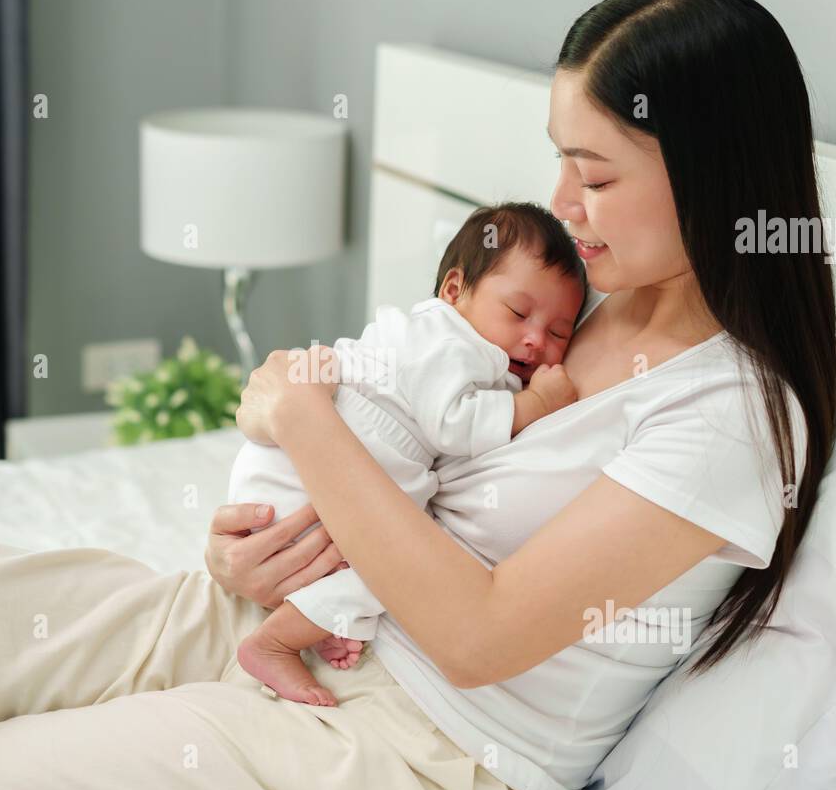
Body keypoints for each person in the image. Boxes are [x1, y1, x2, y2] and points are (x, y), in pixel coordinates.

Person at [0, 0, 836, 790]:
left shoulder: (733, 416)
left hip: (419, 745)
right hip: (308, 620)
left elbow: (483, 632)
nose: (561, 200)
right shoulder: (583, 301)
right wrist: (255, 522)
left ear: (714, 175)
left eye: (593, 174)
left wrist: (295, 415)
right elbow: (392, 413)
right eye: (557, 160)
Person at [231, 202, 587, 706]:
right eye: (518, 313)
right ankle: (275, 644)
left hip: (302, 462)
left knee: (371, 569)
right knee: (388, 575)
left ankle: (317, 621)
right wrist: (535, 403)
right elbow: (452, 423)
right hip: (319, 454)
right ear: (453, 291)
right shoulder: (448, 339)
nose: (535, 339)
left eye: (559, 333)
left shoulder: (453, 343)